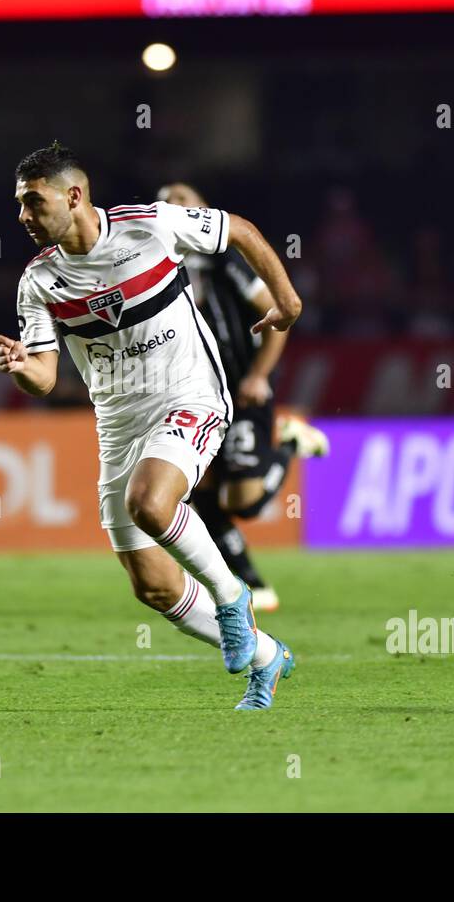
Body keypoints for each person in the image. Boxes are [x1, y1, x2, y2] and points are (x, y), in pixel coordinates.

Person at [0, 143, 302, 709]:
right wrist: (20, 367)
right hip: (117, 427)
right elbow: (43, 376)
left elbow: (241, 230)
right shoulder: (38, 280)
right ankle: (265, 656)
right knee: (153, 586)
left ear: (74, 196)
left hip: (190, 396)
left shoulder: (150, 226)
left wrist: (287, 301)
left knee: (152, 505)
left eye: (34, 203)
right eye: (20, 206)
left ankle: (233, 596)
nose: (23, 218)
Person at [156, 181, 328, 613]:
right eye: (163, 200)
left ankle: (289, 443)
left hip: (239, 390)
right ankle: (248, 580)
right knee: (194, 493)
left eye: (181, 198)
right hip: (189, 396)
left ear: (203, 211)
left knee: (244, 502)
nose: (169, 204)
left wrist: (258, 374)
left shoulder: (221, 259)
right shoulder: (152, 265)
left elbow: (274, 315)